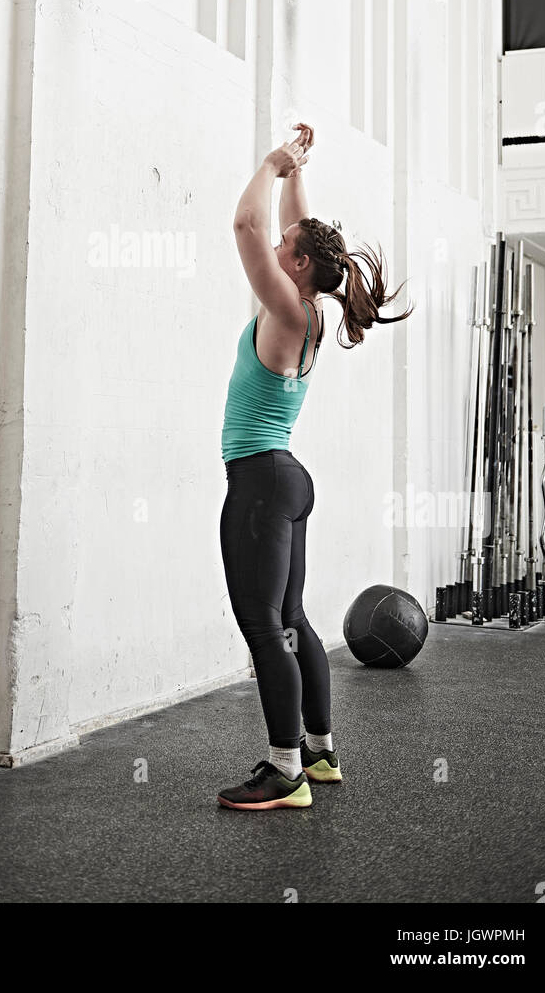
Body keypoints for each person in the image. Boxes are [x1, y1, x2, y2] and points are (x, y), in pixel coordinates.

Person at [216, 122, 413, 810]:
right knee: (292, 616)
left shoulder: (286, 308)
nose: (277, 246)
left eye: (286, 249)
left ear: (296, 267)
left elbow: (244, 224)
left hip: (263, 482)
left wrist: (271, 165)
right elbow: (299, 232)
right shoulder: (312, 308)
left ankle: (284, 770)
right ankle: (321, 753)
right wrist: (300, 169)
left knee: (264, 624)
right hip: (288, 480)